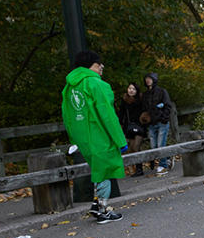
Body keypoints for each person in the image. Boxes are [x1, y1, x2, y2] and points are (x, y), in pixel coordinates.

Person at [61, 50, 127, 223]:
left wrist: (74, 138)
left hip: (84, 138)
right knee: (104, 171)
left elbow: (67, 114)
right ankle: (103, 209)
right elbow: (108, 115)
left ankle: (97, 205)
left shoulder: (70, 86)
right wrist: (120, 140)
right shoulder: (96, 84)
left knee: (98, 170)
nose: (101, 68)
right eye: (99, 64)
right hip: (100, 135)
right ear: (92, 65)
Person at [142, 71, 173, 175]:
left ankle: (163, 166)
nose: (148, 80)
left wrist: (164, 118)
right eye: (146, 78)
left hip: (161, 122)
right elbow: (144, 109)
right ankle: (168, 157)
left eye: (150, 78)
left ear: (154, 79)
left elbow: (168, 105)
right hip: (151, 123)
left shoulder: (161, 91)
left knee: (161, 144)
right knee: (154, 147)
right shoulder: (145, 95)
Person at [116, 82, 147, 176]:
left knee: (136, 147)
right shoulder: (124, 100)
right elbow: (121, 114)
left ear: (136, 91)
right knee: (130, 149)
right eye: (129, 88)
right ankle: (133, 168)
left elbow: (146, 111)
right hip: (128, 127)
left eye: (133, 89)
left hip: (140, 126)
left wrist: (145, 120)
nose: (131, 90)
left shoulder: (141, 100)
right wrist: (120, 125)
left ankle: (139, 169)